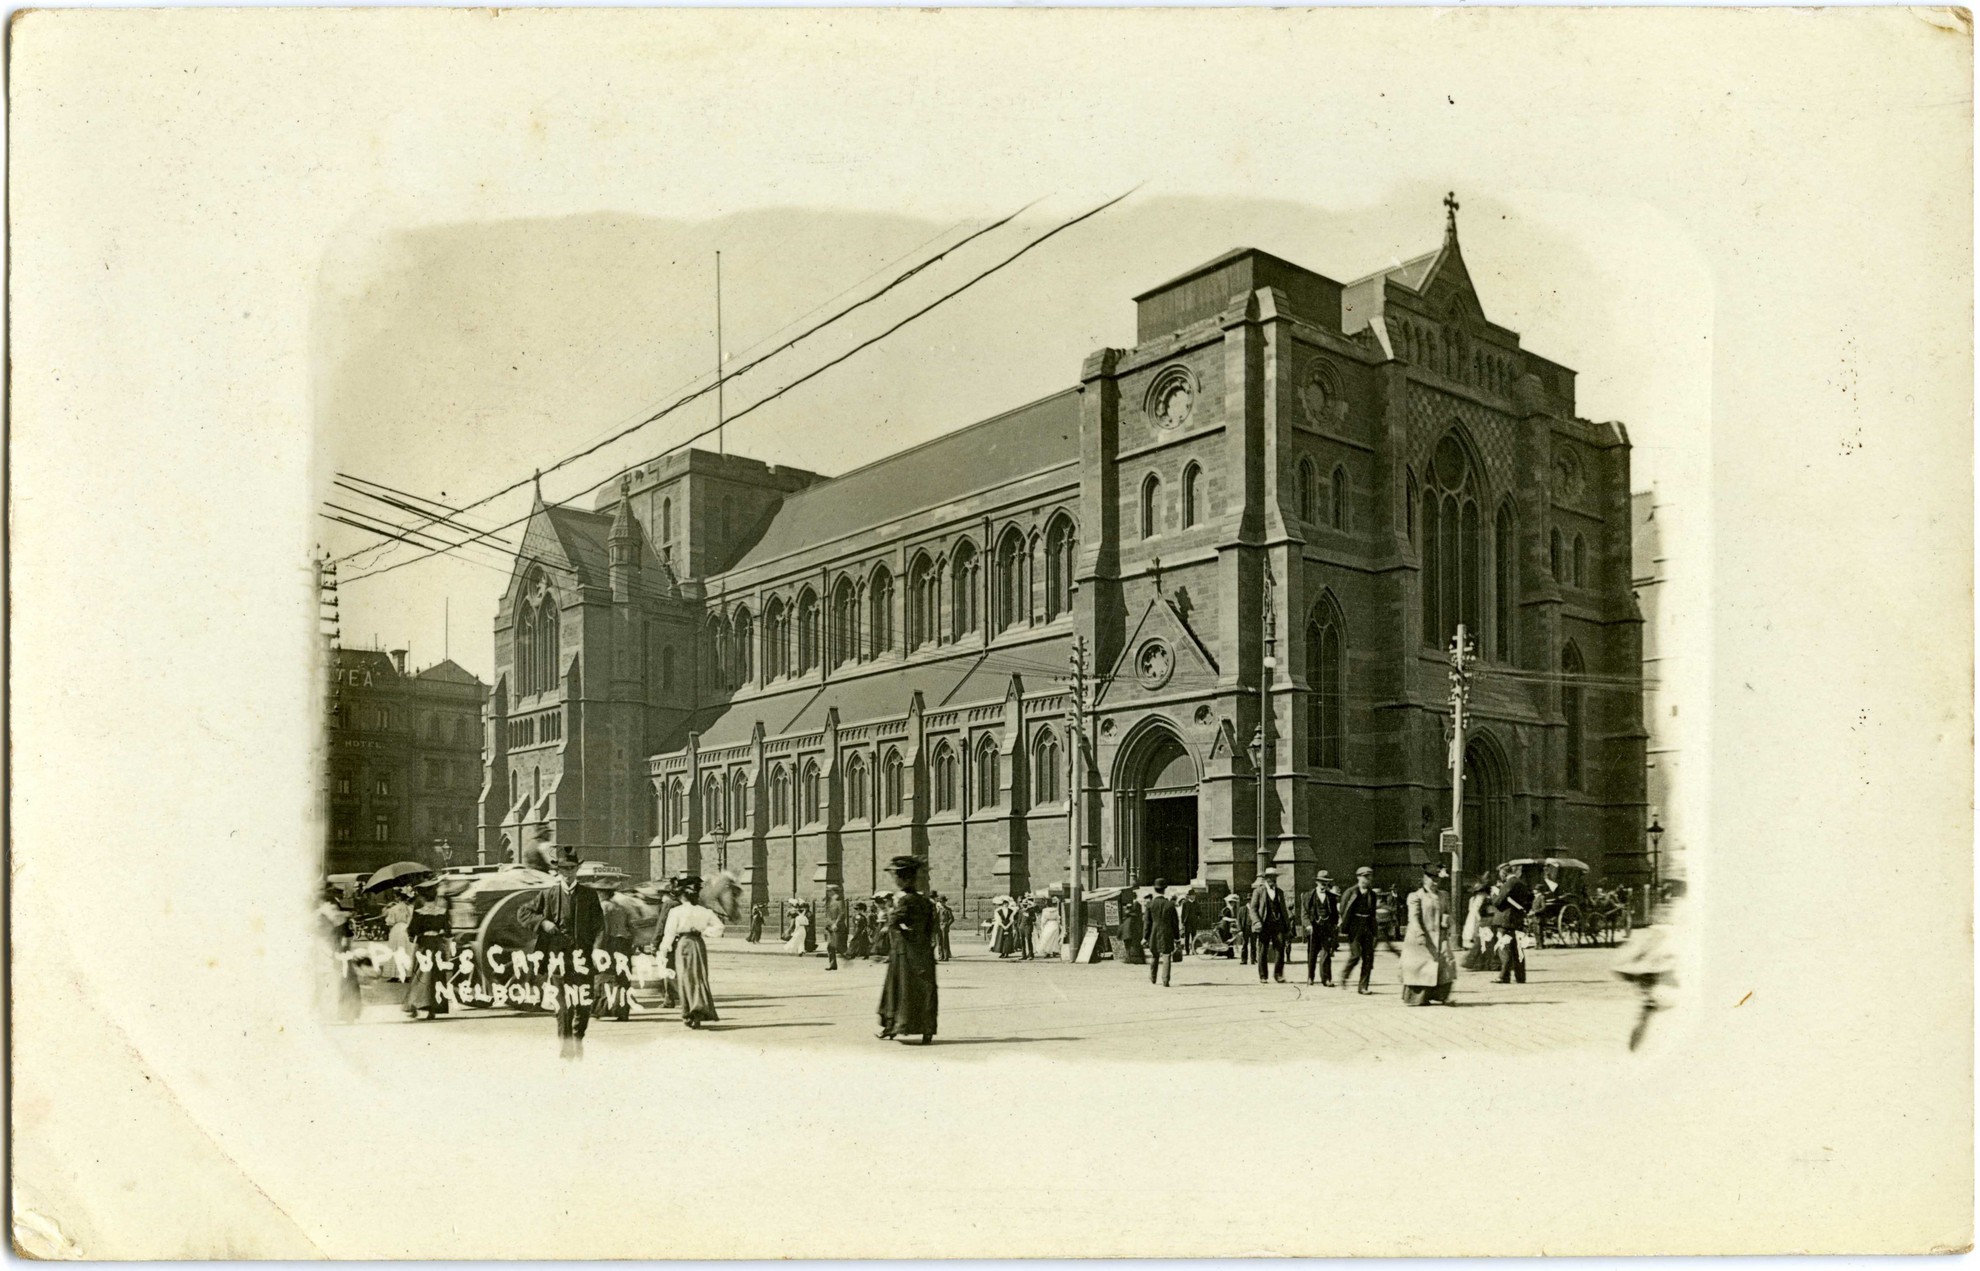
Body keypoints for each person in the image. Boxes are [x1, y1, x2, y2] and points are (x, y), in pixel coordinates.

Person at [517, 845, 606, 1059]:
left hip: (583, 960)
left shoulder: (589, 895)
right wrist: (543, 922)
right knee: (563, 1007)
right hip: (557, 960)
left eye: (572, 868)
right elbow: (523, 912)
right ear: (558, 870)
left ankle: (578, 1038)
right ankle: (566, 1048)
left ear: (577, 869)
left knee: (583, 1006)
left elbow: (600, 926)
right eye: (564, 869)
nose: (568, 873)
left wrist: (596, 950)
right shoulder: (548, 895)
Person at [877, 855, 938, 1044]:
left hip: (904, 951)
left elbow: (894, 922)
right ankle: (927, 1029)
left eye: (896, 877)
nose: (894, 880)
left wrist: (891, 912)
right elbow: (931, 928)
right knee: (924, 988)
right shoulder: (925, 901)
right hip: (923, 951)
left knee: (899, 988)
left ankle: (893, 1026)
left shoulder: (904, 901)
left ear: (903, 878)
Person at [659, 873, 724, 1028]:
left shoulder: (676, 912)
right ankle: (699, 1009)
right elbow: (719, 927)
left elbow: (669, 933)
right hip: (698, 943)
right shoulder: (704, 911)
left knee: (685, 978)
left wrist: (663, 950)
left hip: (683, 943)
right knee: (699, 976)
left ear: (682, 896)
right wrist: (703, 931)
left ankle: (689, 1012)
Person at [1400, 864, 1457, 1006]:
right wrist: (1419, 933)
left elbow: (1447, 912)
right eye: (1433, 879)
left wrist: (1446, 918)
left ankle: (1443, 996)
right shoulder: (1416, 896)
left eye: (1438, 879)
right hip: (1421, 938)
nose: (1436, 883)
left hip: (1440, 937)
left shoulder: (1443, 895)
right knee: (1421, 968)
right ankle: (1417, 998)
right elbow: (1413, 917)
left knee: (1446, 963)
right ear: (1425, 879)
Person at [401, 880, 451, 1020]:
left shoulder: (419, 904)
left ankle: (414, 1005)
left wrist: (412, 934)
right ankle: (432, 1009)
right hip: (436, 943)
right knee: (436, 975)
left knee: (419, 974)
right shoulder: (442, 904)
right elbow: (447, 927)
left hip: (423, 943)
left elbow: (413, 927)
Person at [314, 886, 363, 1023]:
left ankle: (343, 1012)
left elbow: (340, 929)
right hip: (333, 946)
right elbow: (342, 929)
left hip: (332, 946)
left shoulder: (327, 909)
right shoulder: (331, 909)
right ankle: (346, 1012)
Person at [593, 876, 635, 1022]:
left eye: (599, 892)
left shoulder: (602, 908)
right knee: (623, 976)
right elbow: (631, 928)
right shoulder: (621, 908)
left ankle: (602, 1009)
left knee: (605, 975)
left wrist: (597, 949)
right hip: (623, 944)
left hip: (609, 944)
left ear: (604, 893)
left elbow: (602, 930)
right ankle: (623, 1011)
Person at [1339, 866, 1381, 994]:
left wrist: (1374, 931)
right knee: (1356, 954)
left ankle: (1363, 987)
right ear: (1358, 877)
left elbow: (1373, 913)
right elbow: (1343, 909)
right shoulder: (1351, 892)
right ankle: (1344, 974)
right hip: (1354, 928)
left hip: (1367, 926)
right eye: (1364, 877)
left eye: (1369, 877)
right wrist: (1346, 926)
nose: (1367, 880)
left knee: (1368, 957)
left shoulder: (1372, 895)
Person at [1494, 863, 1534, 983]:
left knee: (1504, 948)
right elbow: (1530, 900)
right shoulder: (1522, 884)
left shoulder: (1508, 884)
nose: (1500, 876)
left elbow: (1498, 902)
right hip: (1518, 920)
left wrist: (1495, 893)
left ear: (1504, 873)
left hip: (1506, 920)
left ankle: (1503, 976)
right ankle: (1520, 977)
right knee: (1518, 949)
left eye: (1500, 873)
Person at [1250, 869, 1291, 983]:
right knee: (1263, 950)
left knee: (1280, 948)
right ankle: (1263, 976)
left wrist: (1287, 925)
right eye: (1270, 877)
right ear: (1266, 878)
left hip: (1278, 924)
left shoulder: (1280, 892)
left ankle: (1278, 974)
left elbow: (1283, 910)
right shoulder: (1258, 892)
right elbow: (1253, 909)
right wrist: (1256, 922)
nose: (1273, 879)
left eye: (1274, 877)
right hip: (1264, 925)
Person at [1303, 870, 1340, 986]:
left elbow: (1335, 914)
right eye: (1321, 881)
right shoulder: (1308, 896)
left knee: (1326, 954)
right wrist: (1308, 925)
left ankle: (1326, 979)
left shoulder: (1332, 897)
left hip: (1327, 929)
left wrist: (1335, 925)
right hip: (1313, 929)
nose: (1323, 884)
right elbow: (1304, 913)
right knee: (1312, 954)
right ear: (1317, 882)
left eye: (1326, 882)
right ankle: (1310, 977)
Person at [1144, 879, 1181, 987]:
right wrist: (1177, 938)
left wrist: (1145, 937)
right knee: (1167, 955)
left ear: (1155, 889)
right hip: (1167, 932)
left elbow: (1147, 923)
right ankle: (1165, 980)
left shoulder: (1150, 905)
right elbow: (1175, 923)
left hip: (1154, 933)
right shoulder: (1170, 905)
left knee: (1155, 955)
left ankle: (1153, 977)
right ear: (1164, 890)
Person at [382, 891, 414, 982]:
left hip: (396, 929)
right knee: (406, 950)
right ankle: (406, 974)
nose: (395, 899)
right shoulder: (409, 908)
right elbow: (410, 920)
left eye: (396, 897)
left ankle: (395, 974)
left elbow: (390, 921)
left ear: (399, 898)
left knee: (395, 950)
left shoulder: (394, 908)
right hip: (405, 929)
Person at [822, 885, 848, 971]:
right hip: (831, 926)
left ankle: (847, 957)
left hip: (837, 927)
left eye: (829, 891)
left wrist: (836, 924)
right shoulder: (830, 901)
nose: (827, 892)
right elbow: (828, 914)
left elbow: (842, 913)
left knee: (837, 946)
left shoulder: (839, 901)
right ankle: (833, 964)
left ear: (834, 891)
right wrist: (828, 923)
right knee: (830, 946)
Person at [1118, 893, 1145, 965]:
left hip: (1132, 929)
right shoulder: (1134, 905)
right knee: (1133, 945)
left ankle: (1132, 959)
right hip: (1132, 929)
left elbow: (1137, 914)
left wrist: (1128, 913)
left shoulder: (1136, 904)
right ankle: (1132, 958)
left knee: (1132, 945)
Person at [933, 894, 954, 962]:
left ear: (945, 902)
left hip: (944, 926)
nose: (942, 903)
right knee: (939, 942)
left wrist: (947, 924)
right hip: (938, 926)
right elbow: (935, 918)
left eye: (943, 902)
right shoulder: (938, 909)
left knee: (944, 942)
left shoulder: (948, 909)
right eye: (940, 902)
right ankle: (940, 956)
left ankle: (946, 956)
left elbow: (951, 919)